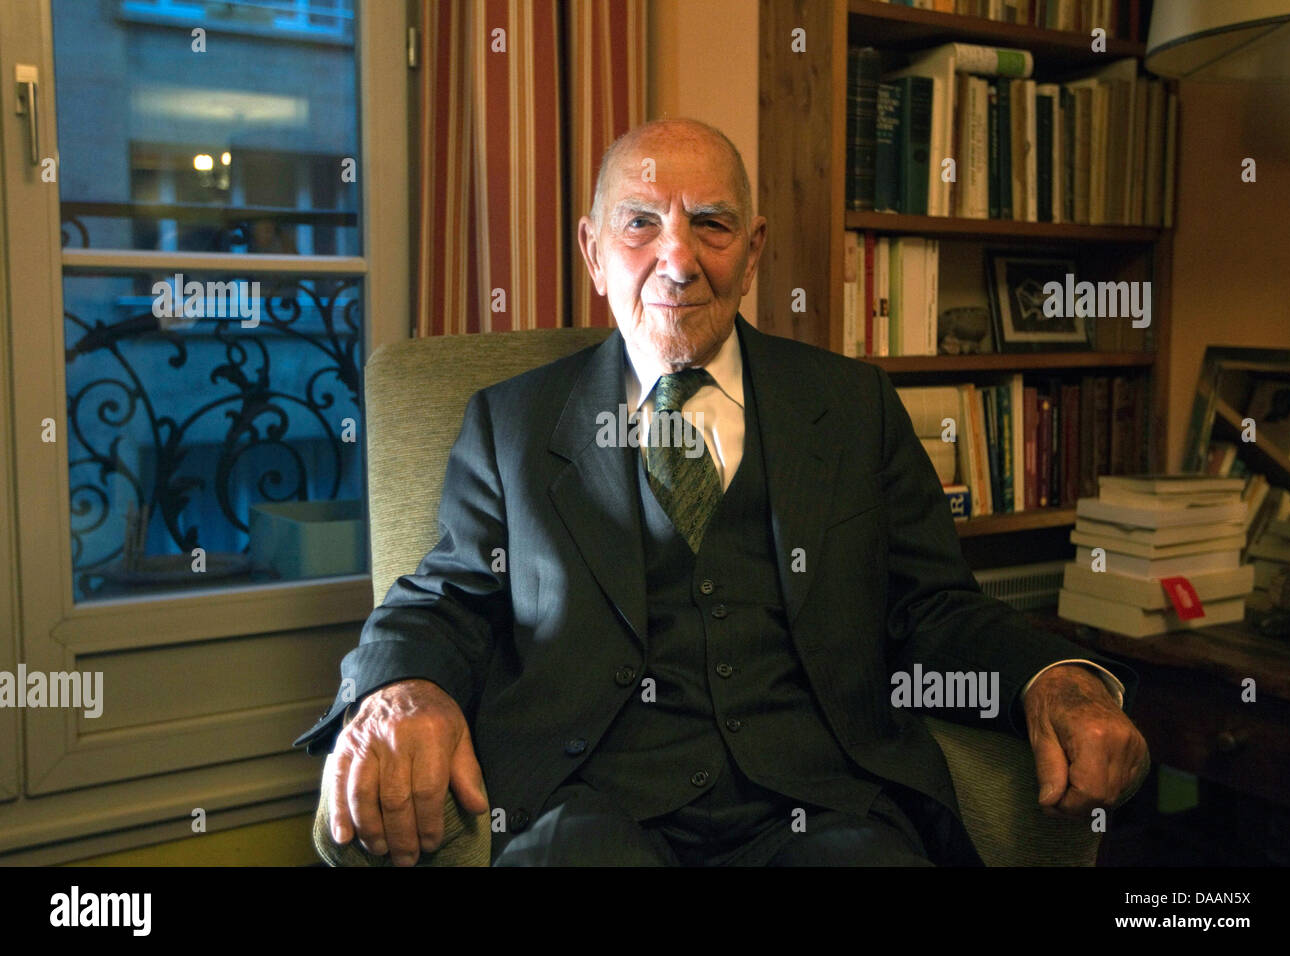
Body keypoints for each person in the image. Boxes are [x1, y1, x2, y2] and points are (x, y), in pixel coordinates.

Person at [294, 118, 1149, 866]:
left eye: (712, 224)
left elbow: (931, 608)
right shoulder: (511, 423)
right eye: (641, 223)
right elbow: (449, 596)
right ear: (593, 251)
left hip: (825, 799)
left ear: (754, 251)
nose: (678, 258)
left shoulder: (853, 407)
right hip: (589, 798)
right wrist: (402, 689)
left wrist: (1056, 677)